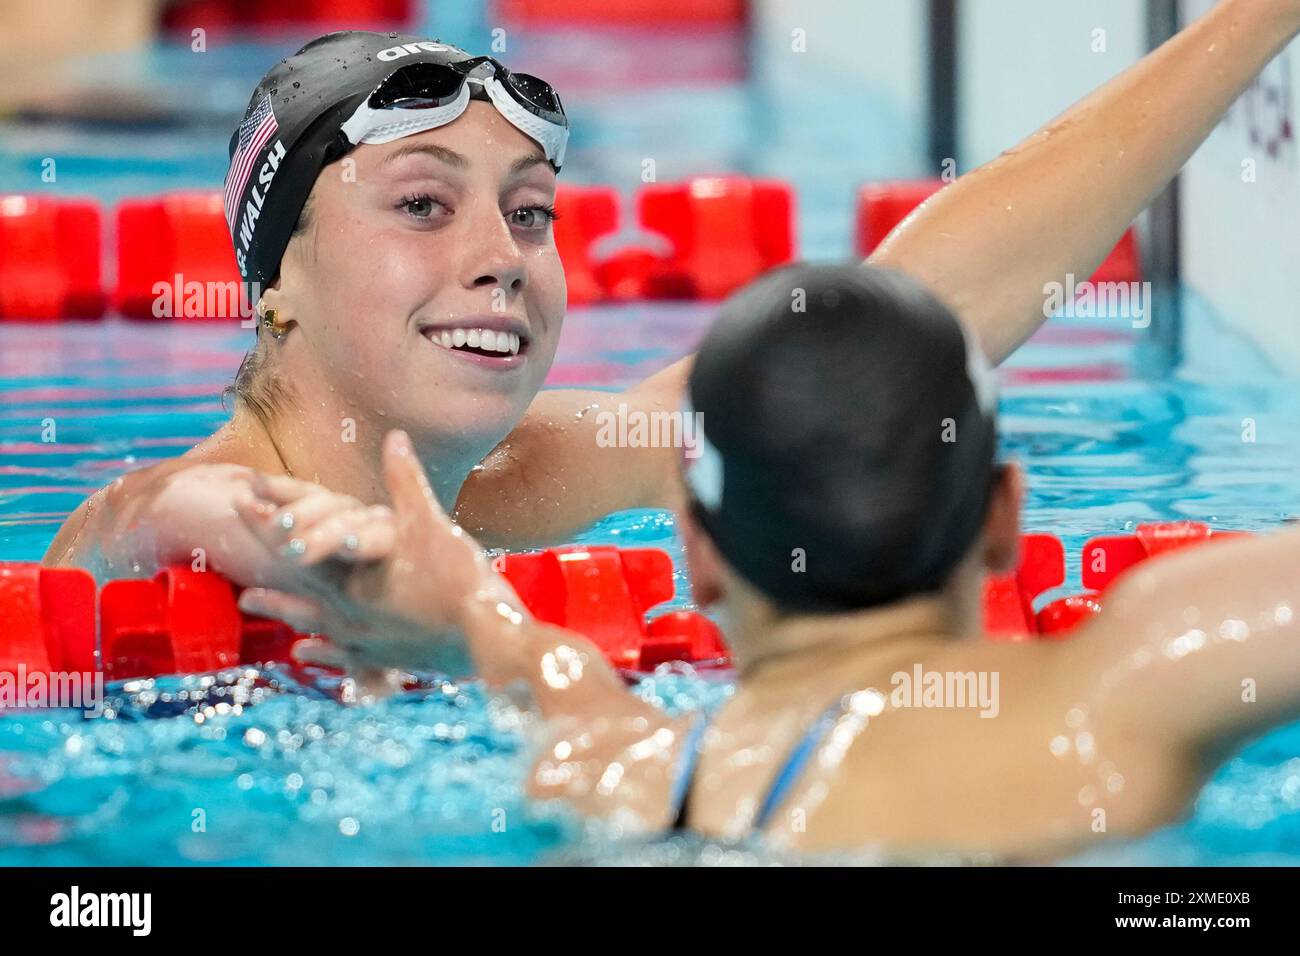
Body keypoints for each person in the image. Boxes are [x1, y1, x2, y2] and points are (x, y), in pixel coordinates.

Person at [43, 1, 1300, 590]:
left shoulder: (531, 481)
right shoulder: (151, 512)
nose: (504, 255)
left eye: (530, 211)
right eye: (424, 204)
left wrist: (1257, 16)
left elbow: (908, 311)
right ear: (275, 288)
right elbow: (195, 516)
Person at [229, 263, 1300, 860]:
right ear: (1004, 518)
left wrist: (472, 608)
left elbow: (566, 688)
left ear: (695, 551)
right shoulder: (1122, 689)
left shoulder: (651, 782)